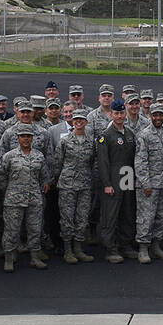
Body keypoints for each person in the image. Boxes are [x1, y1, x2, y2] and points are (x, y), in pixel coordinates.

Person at [0, 129, 49, 271]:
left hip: (34, 199)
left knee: (35, 229)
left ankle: (34, 257)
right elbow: (0, 175)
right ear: (18, 138)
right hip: (14, 199)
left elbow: (44, 175)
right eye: (23, 136)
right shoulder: (10, 156)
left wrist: (45, 183)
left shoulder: (39, 156)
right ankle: (9, 258)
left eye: (28, 136)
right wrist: (8, 189)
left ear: (32, 138)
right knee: (11, 230)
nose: (26, 139)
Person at [96, 99, 138, 263]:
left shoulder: (129, 134)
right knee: (110, 215)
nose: (119, 116)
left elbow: (134, 158)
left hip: (127, 178)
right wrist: (107, 184)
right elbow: (103, 162)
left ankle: (126, 245)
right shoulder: (105, 136)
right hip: (113, 180)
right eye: (116, 113)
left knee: (127, 213)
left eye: (122, 113)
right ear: (111, 114)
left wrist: (134, 179)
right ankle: (111, 249)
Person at [134, 103, 163, 263]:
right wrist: (145, 183)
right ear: (150, 116)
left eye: (160, 115)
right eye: (155, 115)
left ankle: (156, 246)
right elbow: (140, 161)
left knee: (162, 216)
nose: (158, 118)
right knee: (146, 217)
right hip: (148, 185)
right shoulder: (143, 135)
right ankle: (143, 249)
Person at [54, 113, 96, 264]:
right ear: (72, 121)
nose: (78, 122)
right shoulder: (64, 141)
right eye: (76, 119)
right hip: (67, 185)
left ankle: (78, 248)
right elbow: (58, 163)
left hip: (84, 185)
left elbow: (92, 162)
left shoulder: (91, 142)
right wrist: (60, 180)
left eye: (81, 120)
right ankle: (68, 250)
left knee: (82, 218)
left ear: (86, 122)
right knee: (67, 218)